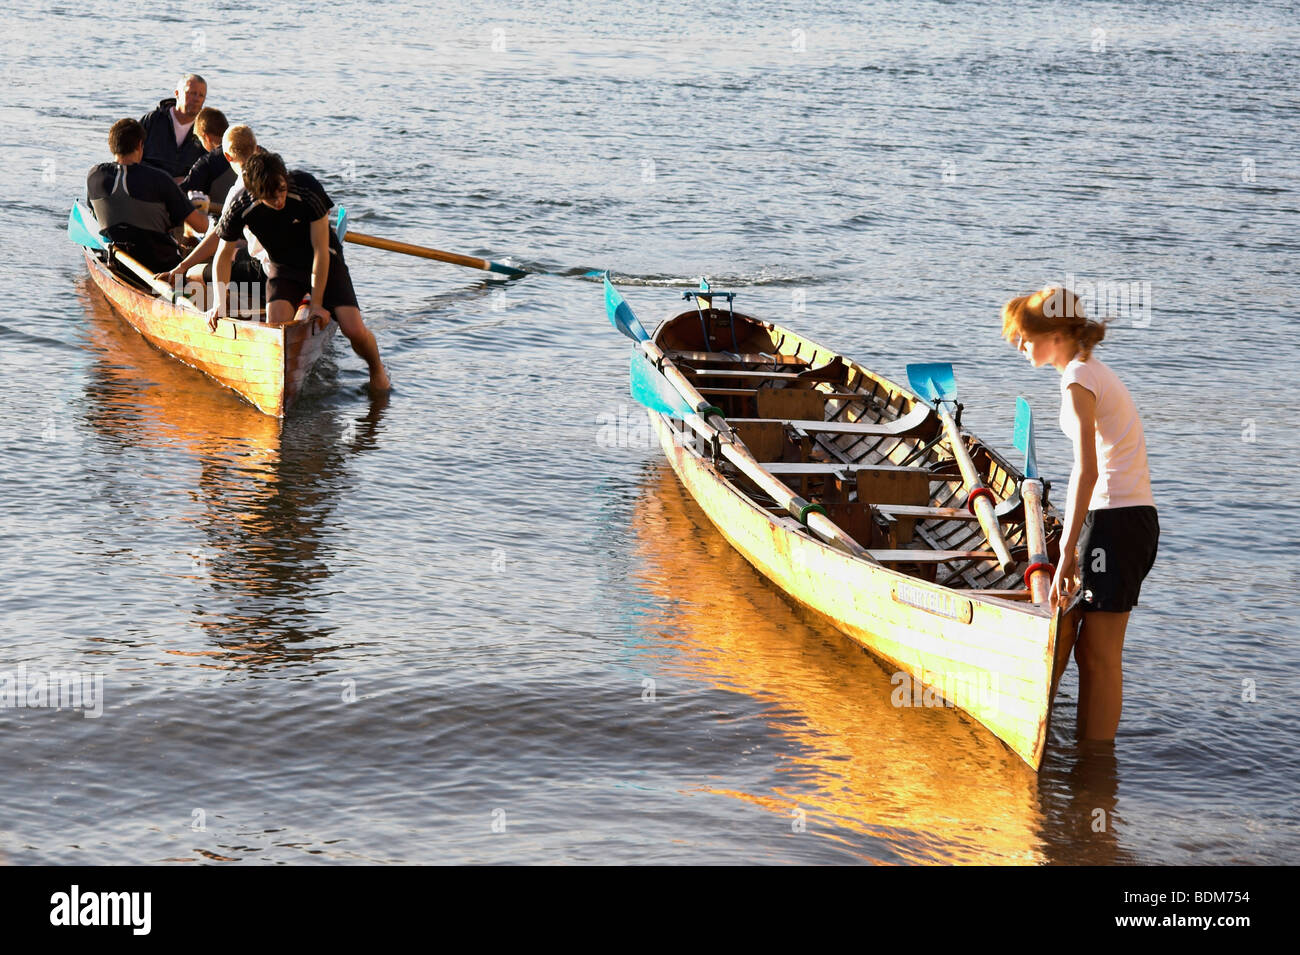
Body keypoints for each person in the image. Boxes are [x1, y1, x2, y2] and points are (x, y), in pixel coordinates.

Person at [1001, 286, 1158, 742]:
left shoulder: (1078, 381)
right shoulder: (1089, 373)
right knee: (1093, 653)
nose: (1019, 344)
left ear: (1053, 333)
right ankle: (1093, 771)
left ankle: (1097, 763)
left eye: (1024, 335)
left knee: (1102, 654)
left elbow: (1086, 472)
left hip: (1116, 521)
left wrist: (1067, 550)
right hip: (1123, 519)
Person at [209, 151, 390, 391]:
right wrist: (219, 303)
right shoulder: (240, 205)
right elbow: (222, 258)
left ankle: (377, 369)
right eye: (271, 197)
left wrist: (316, 303)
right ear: (254, 192)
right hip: (283, 267)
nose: (279, 200)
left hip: (326, 260)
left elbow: (320, 251)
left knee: (353, 329)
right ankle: (282, 385)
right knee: (277, 330)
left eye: (282, 190)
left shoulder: (306, 188)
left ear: (285, 178)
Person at [157, 124, 266, 311]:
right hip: (284, 260)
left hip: (265, 269)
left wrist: (183, 267)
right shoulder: (275, 177)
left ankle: (219, 317)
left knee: (194, 274)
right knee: (235, 250)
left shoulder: (239, 190)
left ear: (227, 157)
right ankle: (245, 302)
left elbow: (218, 235)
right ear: (256, 149)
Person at [87, 118, 210, 272]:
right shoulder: (160, 179)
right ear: (140, 145)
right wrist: (202, 208)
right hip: (161, 266)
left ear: (111, 145)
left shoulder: (94, 175)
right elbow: (202, 226)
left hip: (116, 262)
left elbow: (94, 216)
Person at [140, 74, 208, 179]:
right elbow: (129, 155)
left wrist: (188, 180)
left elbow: (211, 167)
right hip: (148, 184)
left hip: (186, 190)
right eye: (192, 93)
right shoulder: (153, 120)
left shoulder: (207, 128)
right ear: (177, 94)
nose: (197, 99)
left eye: (201, 95)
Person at [180, 107, 237, 208]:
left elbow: (180, 196)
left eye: (200, 140)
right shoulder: (254, 150)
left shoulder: (206, 163)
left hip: (217, 217)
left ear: (207, 137)